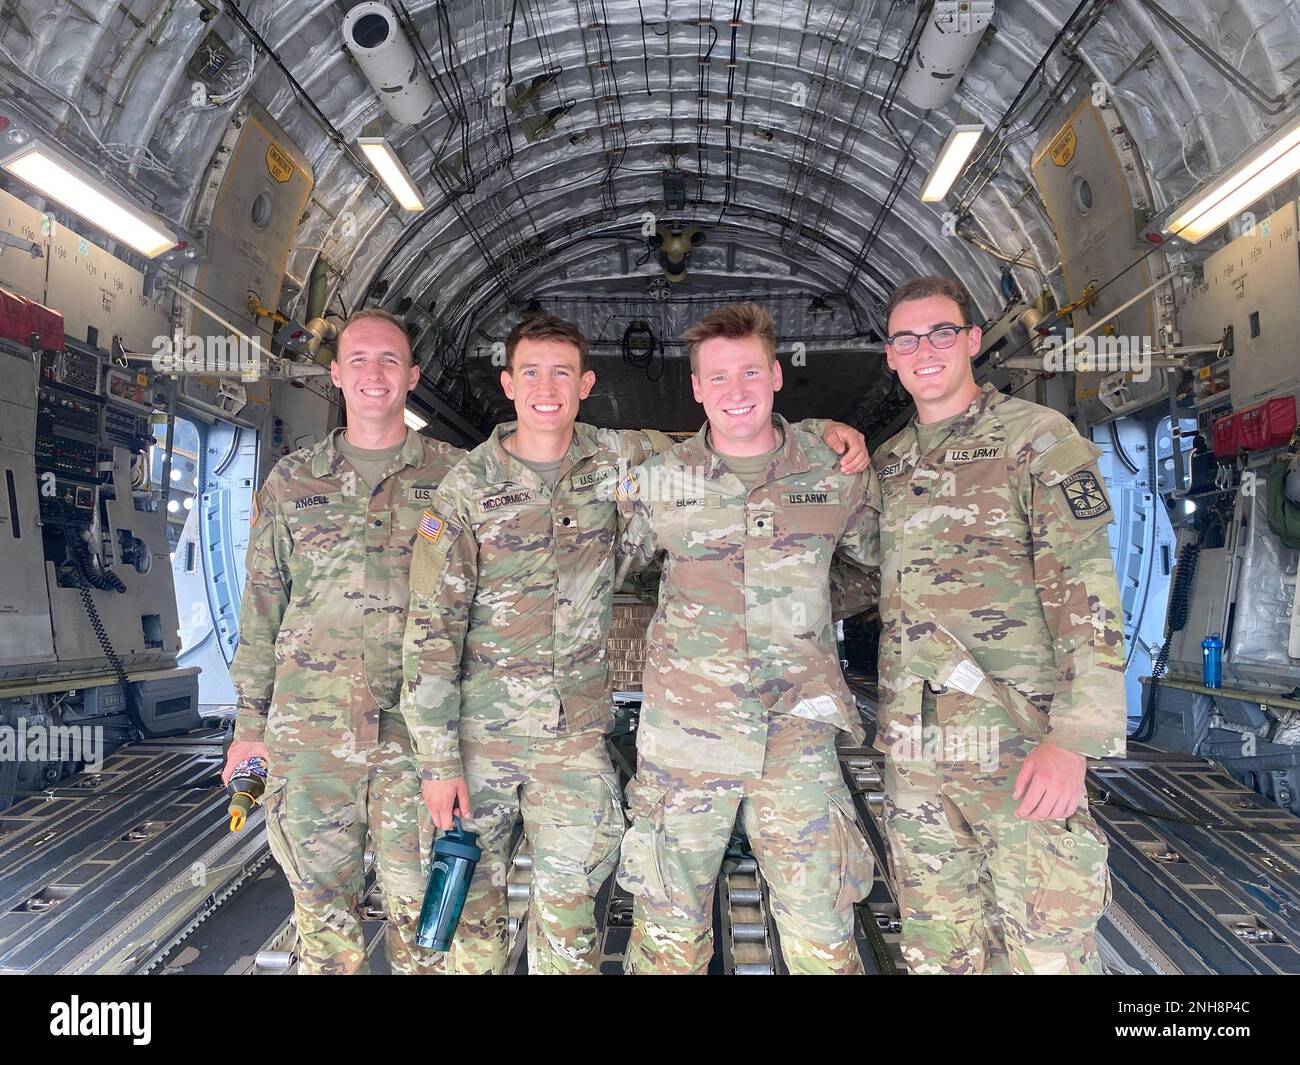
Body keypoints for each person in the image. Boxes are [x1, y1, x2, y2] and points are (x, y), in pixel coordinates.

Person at [401, 312, 870, 974]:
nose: (547, 387)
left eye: (562, 372)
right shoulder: (464, 490)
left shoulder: (629, 461)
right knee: (469, 928)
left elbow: (728, 439)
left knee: (570, 925)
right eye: (531, 372)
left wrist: (822, 433)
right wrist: (436, 758)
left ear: (586, 383)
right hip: (483, 739)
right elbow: (430, 629)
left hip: (577, 741)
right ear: (507, 383)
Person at [869, 275, 1127, 974]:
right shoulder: (887, 467)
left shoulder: (1038, 439)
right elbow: (846, 577)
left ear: (973, 342)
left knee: (1045, 948)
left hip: (1017, 749)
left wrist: (1074, 739)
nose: (925, 349)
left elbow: (1090, 597)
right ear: (890, 356)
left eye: (941, 333)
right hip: (917, 762)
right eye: (907, 339)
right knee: (939, 951)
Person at [614, 302, 880, 974]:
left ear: (776, 375)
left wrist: (808, 609)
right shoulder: (658, 482)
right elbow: (627, 572)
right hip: (686, 742)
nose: (736, 391)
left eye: (749, 373)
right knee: (669, 935)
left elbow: (875, 568)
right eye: (718, 377)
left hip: (797, 739)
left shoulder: (833, 468)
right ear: (697, 388)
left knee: (822, 928)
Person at [223, 307, 463, 974]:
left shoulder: (458, 479)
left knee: (427, 919)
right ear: (334, 374)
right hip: (311, 738)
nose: (374, 373)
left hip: (418, 740)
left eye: (389, 360)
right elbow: (262, 606)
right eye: (359, 360)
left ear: (412, 375)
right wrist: (249, 725)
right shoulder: (293, 482)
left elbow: (486, 608)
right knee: (323, 917)